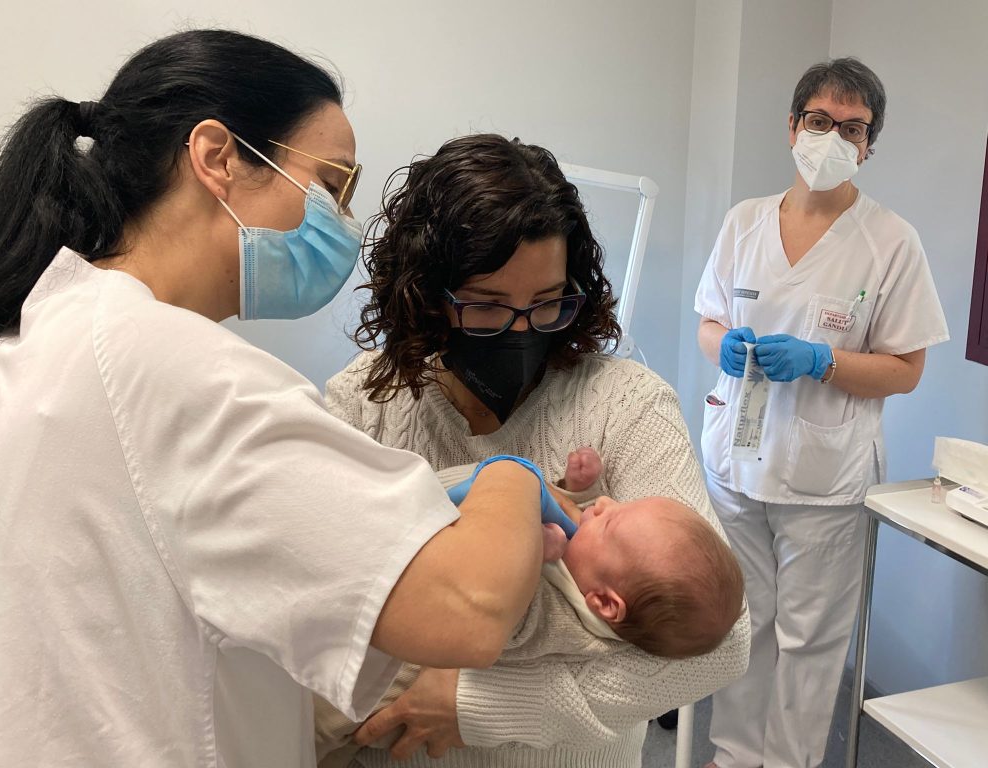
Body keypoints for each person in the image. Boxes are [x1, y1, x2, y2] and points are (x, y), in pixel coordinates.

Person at [0, 31, 552, 768]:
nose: (342, 224)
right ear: (217, 158)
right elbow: (466, 608)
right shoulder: (176, 368)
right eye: (332, 184)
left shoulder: (45, 330)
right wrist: (512, 478)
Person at [325, 133, 751, 767]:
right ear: (427, 296)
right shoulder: (362, 403)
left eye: (548, 303)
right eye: (488, 306)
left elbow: (722, 643)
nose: (523, 330)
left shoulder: (626, 401)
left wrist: (480, 704)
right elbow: (324, 605)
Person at [695, 57, 949, 768]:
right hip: (734, 463)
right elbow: (707, 324)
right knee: (743, 623)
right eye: (819, 121)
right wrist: (726, 347)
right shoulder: (744, 222)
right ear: (792, 126)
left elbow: (906, 369)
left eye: (852, 128)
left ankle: (789, 763)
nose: (832, 137)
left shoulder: (890, 242)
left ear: (869, 145)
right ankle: (735, 756)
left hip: (824, 477)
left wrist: (821, 361)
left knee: (809, 640)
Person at [314, 456, 746, 766]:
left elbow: (485, 600)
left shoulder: (556, 618)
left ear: (606, 603)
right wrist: (575, 488)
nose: (605, 504)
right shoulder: (593, 580)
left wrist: (529, 549)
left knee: (311, 734)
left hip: (370, 686)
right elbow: (578, 527)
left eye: (611, 520)